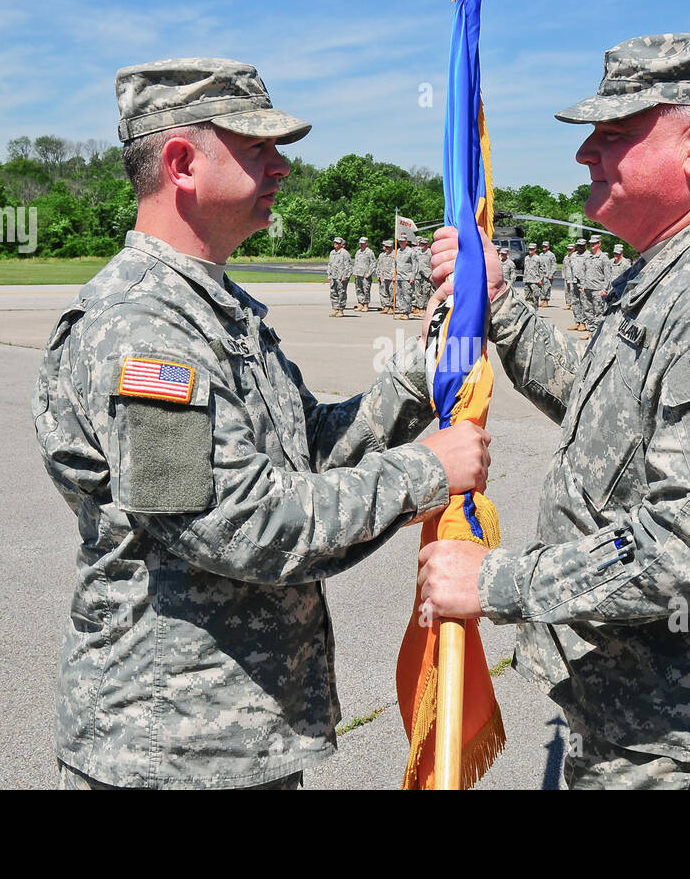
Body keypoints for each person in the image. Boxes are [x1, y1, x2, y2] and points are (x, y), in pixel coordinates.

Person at [32, 57, 491, 790]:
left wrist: (427, 364)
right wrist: (425, 472)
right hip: (170, 752)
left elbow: (311, 446)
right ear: (182, 162)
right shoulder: (143, 328)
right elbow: (234, 519)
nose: (282, 168)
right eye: (258, 149)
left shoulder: (215, 308)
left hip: (234, 742)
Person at [418, 31, 690, 790]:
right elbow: (609, 418)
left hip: (683, 730)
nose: (586, 154)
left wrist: (497, 583)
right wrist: (502, 307)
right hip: (644, 706)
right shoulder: (684, 270)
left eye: (613, 134)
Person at [579, 233, 609, 336]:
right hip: (587, 288)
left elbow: (607, 275)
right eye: (591, 243)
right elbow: (583, 271)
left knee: (598, 312)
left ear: (599, 243)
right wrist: (583, 285)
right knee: (588, 311)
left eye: (594, 243)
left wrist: (604, 289)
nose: (592, 245)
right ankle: (591, 331)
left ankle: (597, 334)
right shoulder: (587, 257)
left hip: (598, 290)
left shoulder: (604, 258)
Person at [327, 236, 352, 317]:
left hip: (341, 277)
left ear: (341, 244)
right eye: (335, 242)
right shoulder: (332, 253)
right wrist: (329, 275)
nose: (335, 244)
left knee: (341, 294)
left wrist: (345, 277)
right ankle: (336, 309)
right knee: (333, 293)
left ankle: (341, 310)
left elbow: (348, 266)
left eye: (337, 243)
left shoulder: (345, 253)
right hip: (333, 277)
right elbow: (330, 265)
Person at [565, 238, 587, 330]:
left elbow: (589, 270)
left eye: (582, 246)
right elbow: (570, 268)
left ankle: (583, 322)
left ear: (585, 246)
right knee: (575, 302)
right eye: (579, 246)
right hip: (574, 281)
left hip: (584, 282)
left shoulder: (588, 255)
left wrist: (587, 283)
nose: (580, 248)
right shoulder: (573, 255)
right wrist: (569, 280)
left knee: (584, 302)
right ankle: (577, 321)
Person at [394, 235, 416, 319]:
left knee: (407, 295)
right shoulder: (398, 251)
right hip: (399, 276)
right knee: (399, 295)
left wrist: (412, 277)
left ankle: (406, 313)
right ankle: (401, 311)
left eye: (402, 241)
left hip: (407, 277)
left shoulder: (411, 251)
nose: (401, 243)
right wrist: (395, 275)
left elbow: (415, 265)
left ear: (406, 242)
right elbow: (395, 265)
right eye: (399, 241)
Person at [352, 236, 376, 312]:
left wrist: (369, 274)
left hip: (366, 275)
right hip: (358, 274)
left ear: (366, 243)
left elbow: (373, 264)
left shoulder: (369, 252)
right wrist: (355, 272)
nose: (361, 245)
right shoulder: (358, 252)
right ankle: (360, 304)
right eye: (360, 243)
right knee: (359, 289)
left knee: (366, 290)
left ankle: (366, 305)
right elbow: (356, 263)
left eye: (363, 243)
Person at [377, 239, 395, 312]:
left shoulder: (395, 254)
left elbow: (396, 266)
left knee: (392, 292)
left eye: (388, 247)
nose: (387, 248)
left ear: (392, 247)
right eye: (386, 247)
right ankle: (386, 305)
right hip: (383, 276)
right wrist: (378, 275)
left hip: (391, 276)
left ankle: (391, 306)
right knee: (384, 292)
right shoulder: (382, 255)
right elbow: (379, 265)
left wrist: (394, 276)